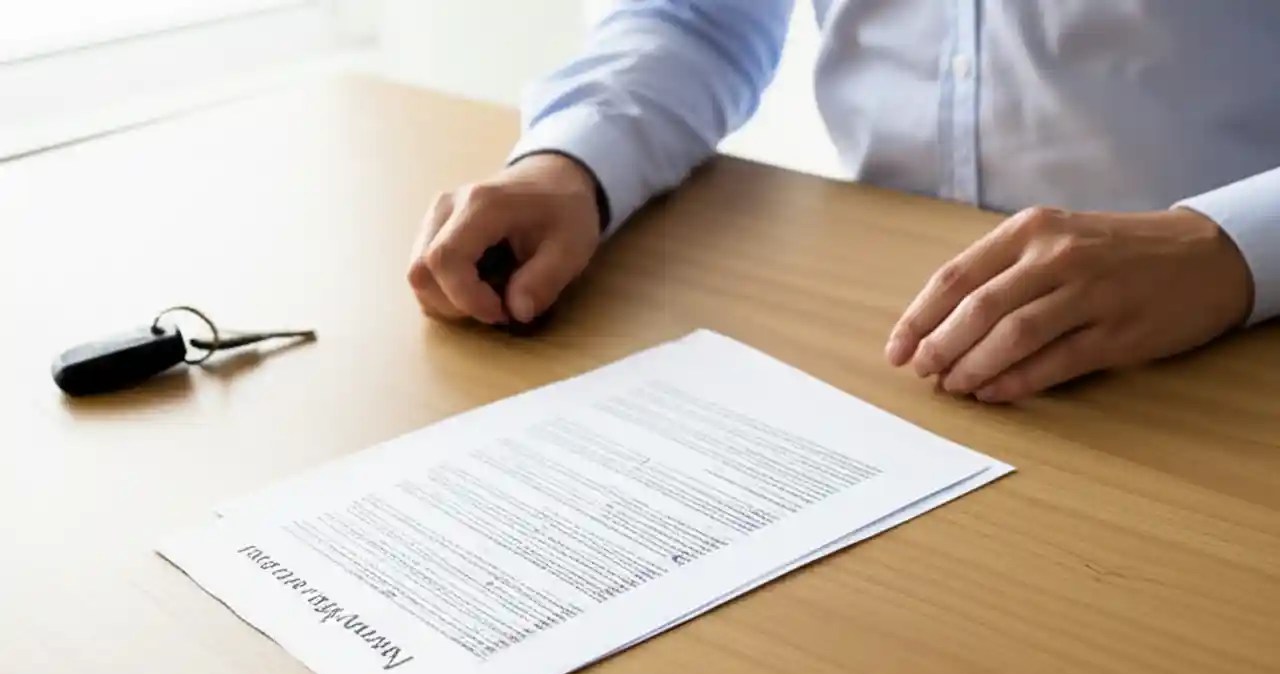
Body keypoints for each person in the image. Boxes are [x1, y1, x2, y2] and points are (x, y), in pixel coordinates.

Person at [406, 1, 1279, 403]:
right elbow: (697, 18)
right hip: (894, 337)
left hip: (1222, 362)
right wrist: (570, 164)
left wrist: (1228, 250)